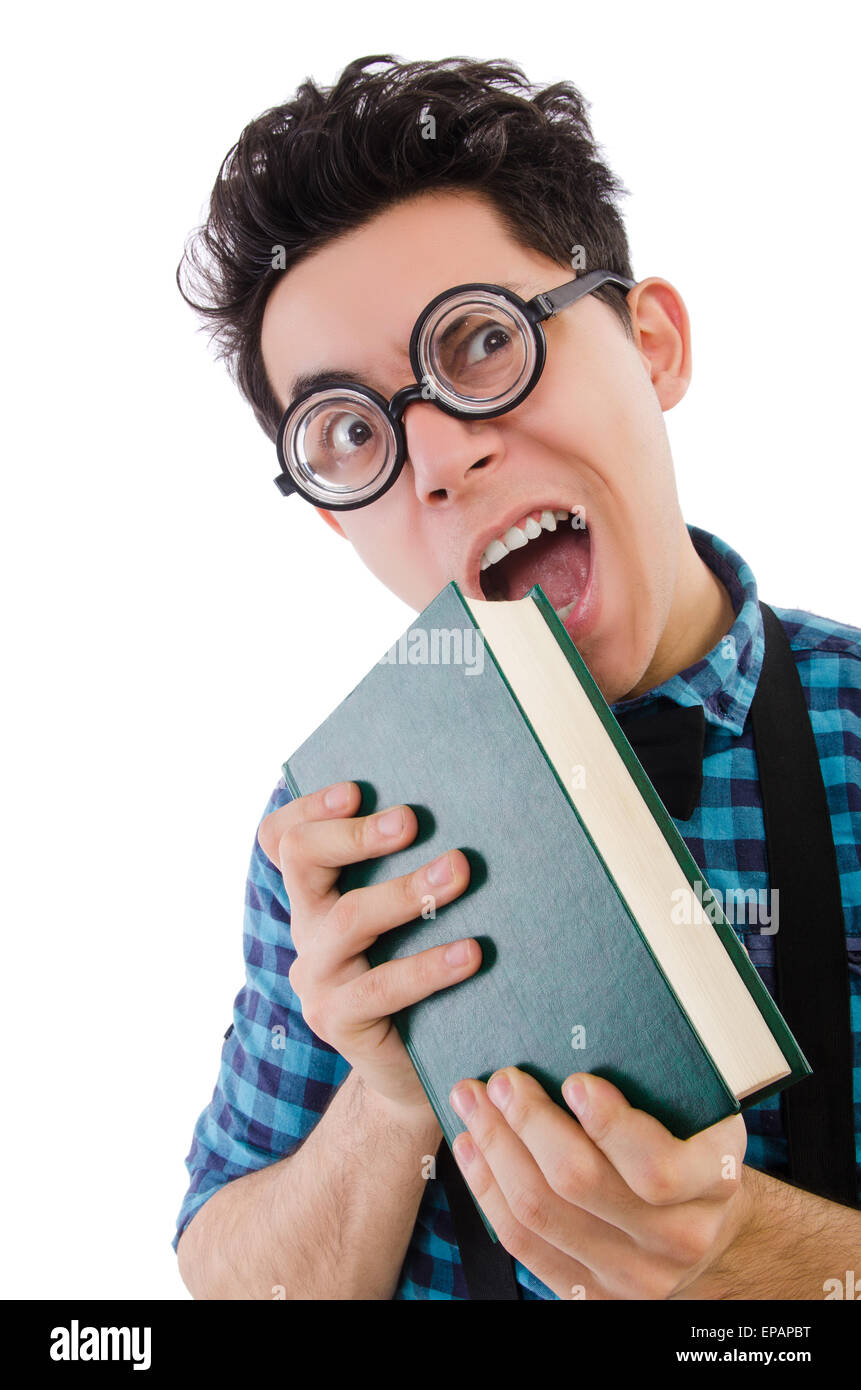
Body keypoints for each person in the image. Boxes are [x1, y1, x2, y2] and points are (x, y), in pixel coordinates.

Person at [172, 54, 861, 1300]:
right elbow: (229, 1283)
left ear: (652, 345)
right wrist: (388, 1103)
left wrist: (748, 1254)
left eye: (483, 339)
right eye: (350, 432)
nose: (432, 459)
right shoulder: (334, 827)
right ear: (342, 521)